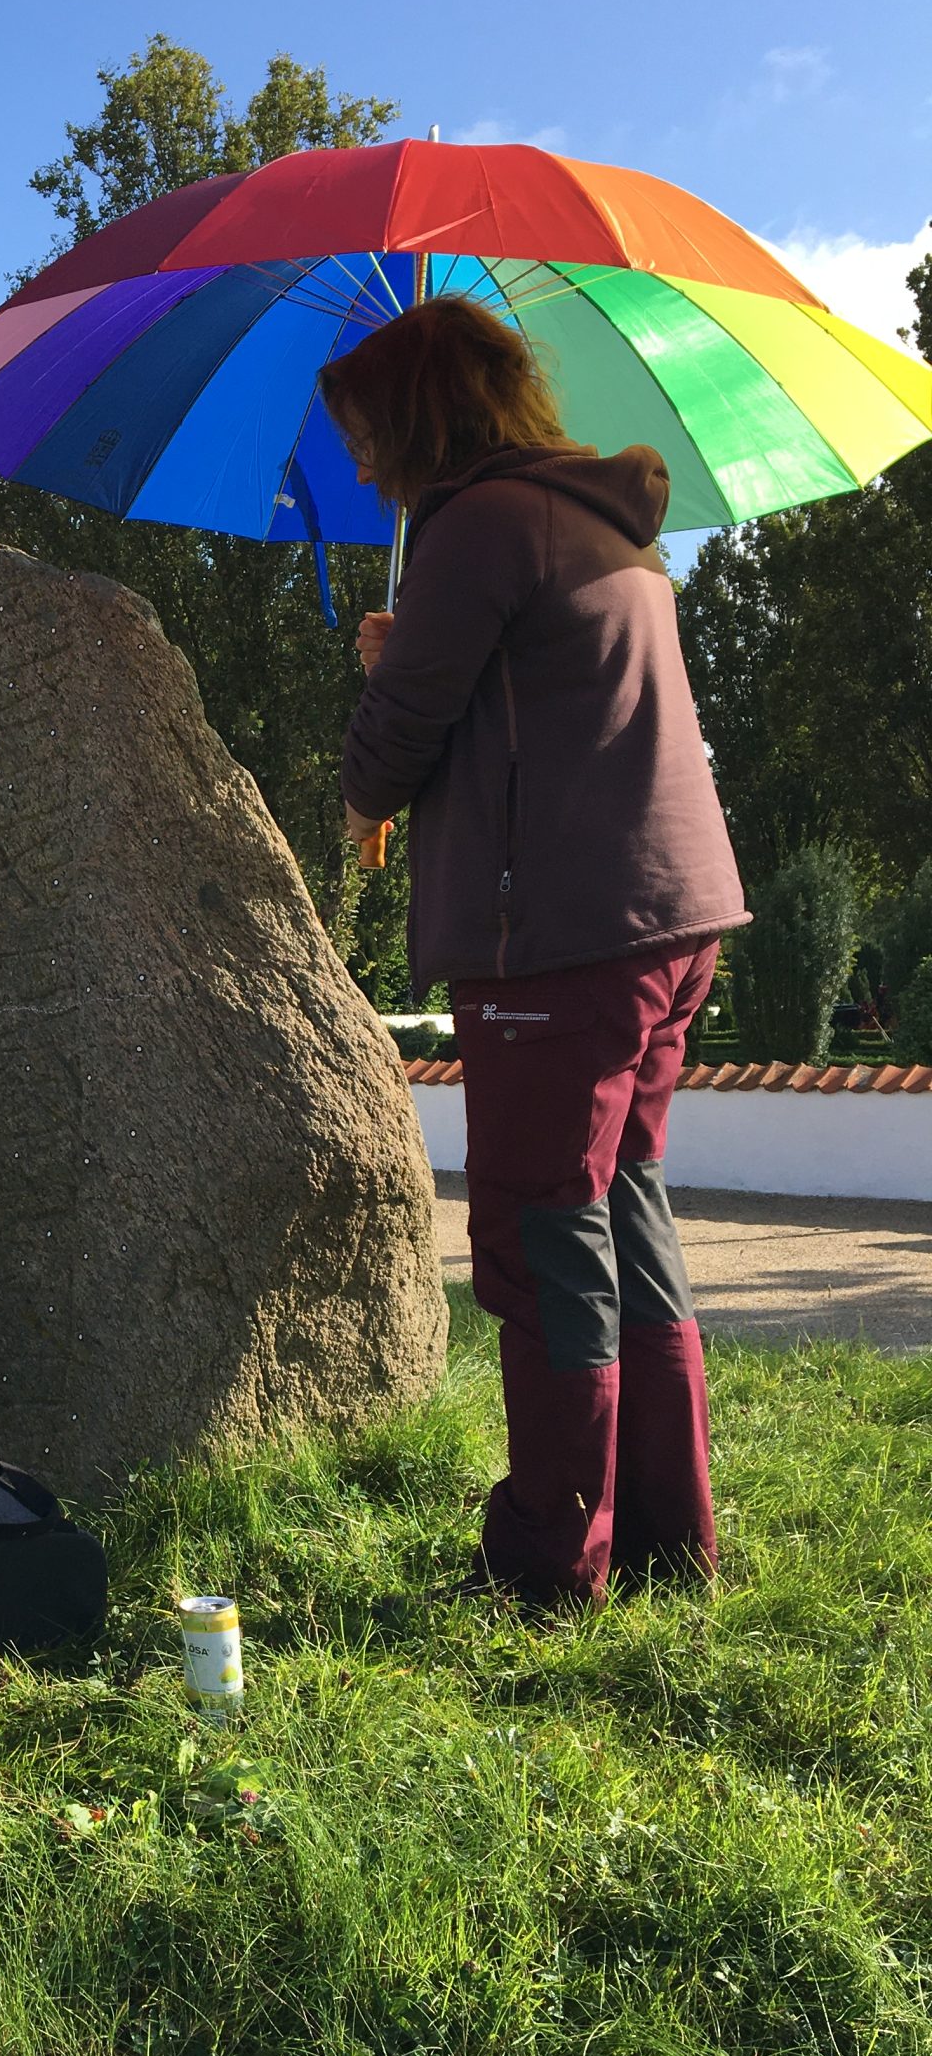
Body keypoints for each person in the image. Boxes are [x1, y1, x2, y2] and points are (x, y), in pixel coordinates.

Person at [324, 297, 748, 1610]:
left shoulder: (477, 523)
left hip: (556, 942)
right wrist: (419, 652)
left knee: (540, 1236)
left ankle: (549, 1567)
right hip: (666, 922)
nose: (356, 464)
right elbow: (527, 692)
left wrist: (369, 770)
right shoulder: (597, 521)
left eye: (362, 434)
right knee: (622, 1214)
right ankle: (671, 1541)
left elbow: (398, 747)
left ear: (414, 417)